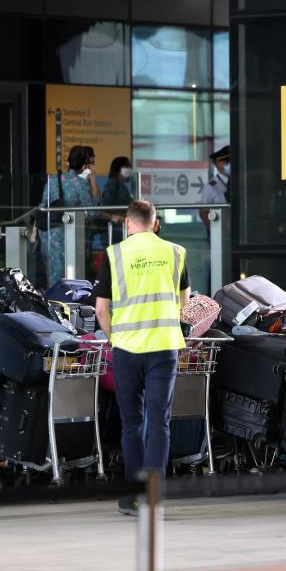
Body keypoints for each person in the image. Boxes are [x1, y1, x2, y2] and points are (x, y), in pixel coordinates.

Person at [94, 199, 189, 516]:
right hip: (163, 347)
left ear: (127, 224)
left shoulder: (115, 254)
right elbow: (184, 298)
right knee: (159, 421)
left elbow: (100, 310)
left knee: (131, 421)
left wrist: (113, 337)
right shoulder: (175, 252)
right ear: (156, 223)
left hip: (127, 349)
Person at [39, 145, 100, 286]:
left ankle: (52, 304)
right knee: (71, 278)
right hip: (68, 235)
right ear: (85, 165)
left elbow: (43, 205)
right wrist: (92, 180)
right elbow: (93, 212)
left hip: (48, 233)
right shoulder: (81, 183)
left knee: (53, 277)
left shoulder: (53, 179)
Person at [198, 144, 230, 229]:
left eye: (230, 162)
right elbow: (203, 212)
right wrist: (214, 229)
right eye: (226, 162)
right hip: (220, 230)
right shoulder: (211, 185)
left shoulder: (239, 182)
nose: (229, 165)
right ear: (217, 164)